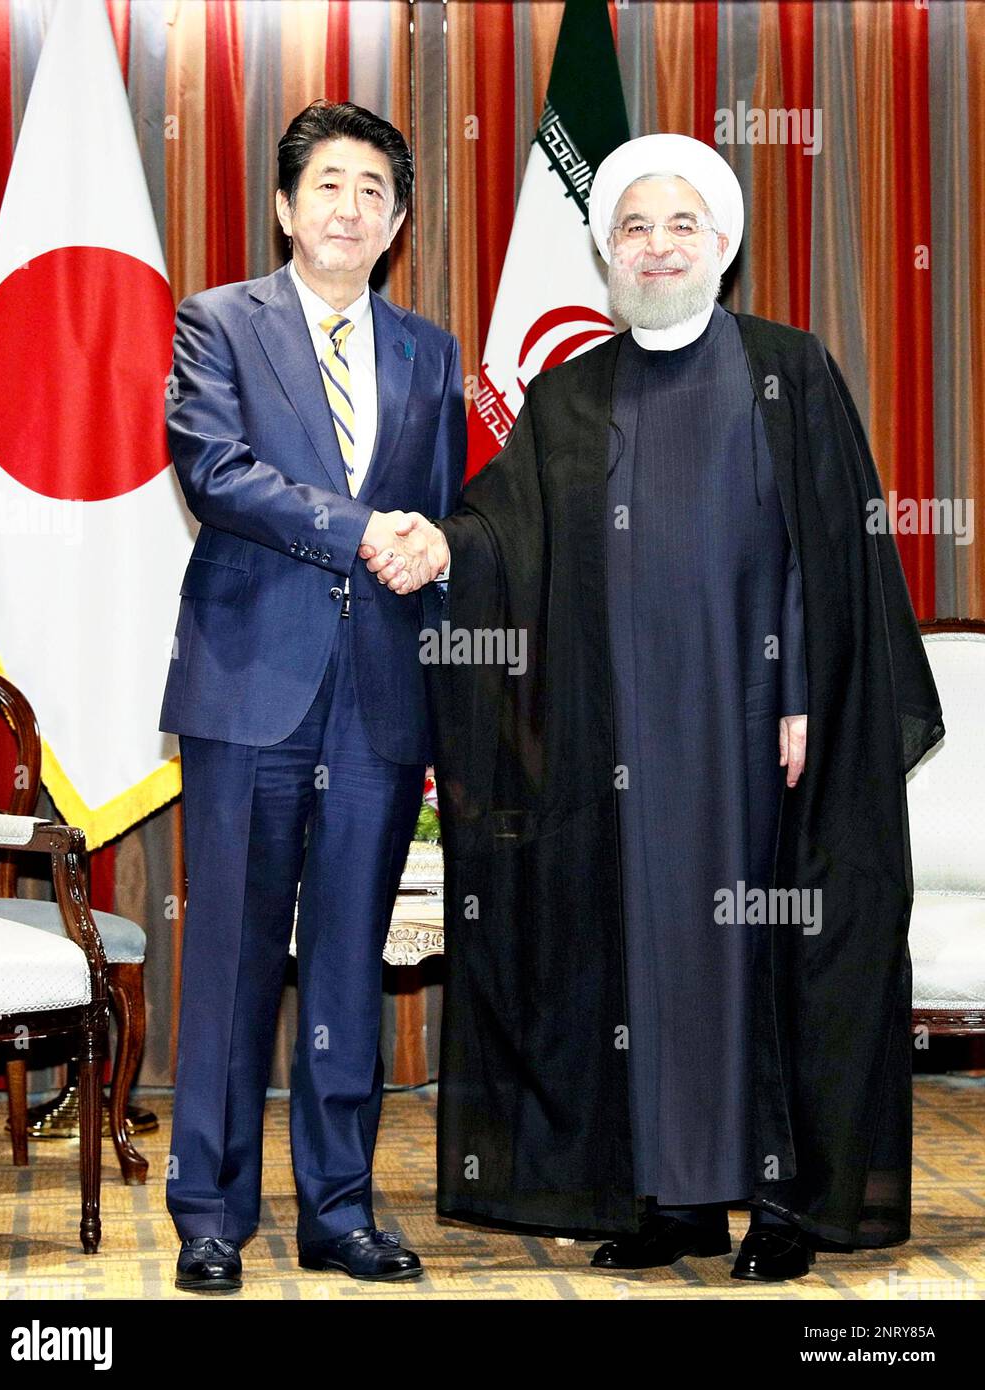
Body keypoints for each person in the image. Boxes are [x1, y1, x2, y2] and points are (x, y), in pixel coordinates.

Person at [363, 133, 944, 1282]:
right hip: (616, 745)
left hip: (756, 737)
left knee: (762, 966)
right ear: (606, 255)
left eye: (681, 224)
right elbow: (503, 536)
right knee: (644, 970)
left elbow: (823, 552)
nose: (657, 244)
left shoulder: (789, 369)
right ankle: (669, 1201)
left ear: (720, 246)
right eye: (633, 226)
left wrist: (800, 697)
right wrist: (440, 542)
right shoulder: (573, 395)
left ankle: (785, 1205)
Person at [159, 99, 465, 1292]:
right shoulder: (216, 324)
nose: (351, 207)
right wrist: (362, 528)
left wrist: (435, 544)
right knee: (232, 959)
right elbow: (216, 471)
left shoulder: (430, 352)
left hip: (379, 698)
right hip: (250, 692)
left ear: (395, 223)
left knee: (345, 962)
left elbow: (443, 508)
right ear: (285, 206)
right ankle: (210, 1212)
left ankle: (339, 1207)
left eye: (374, 191)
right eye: (328, 185)